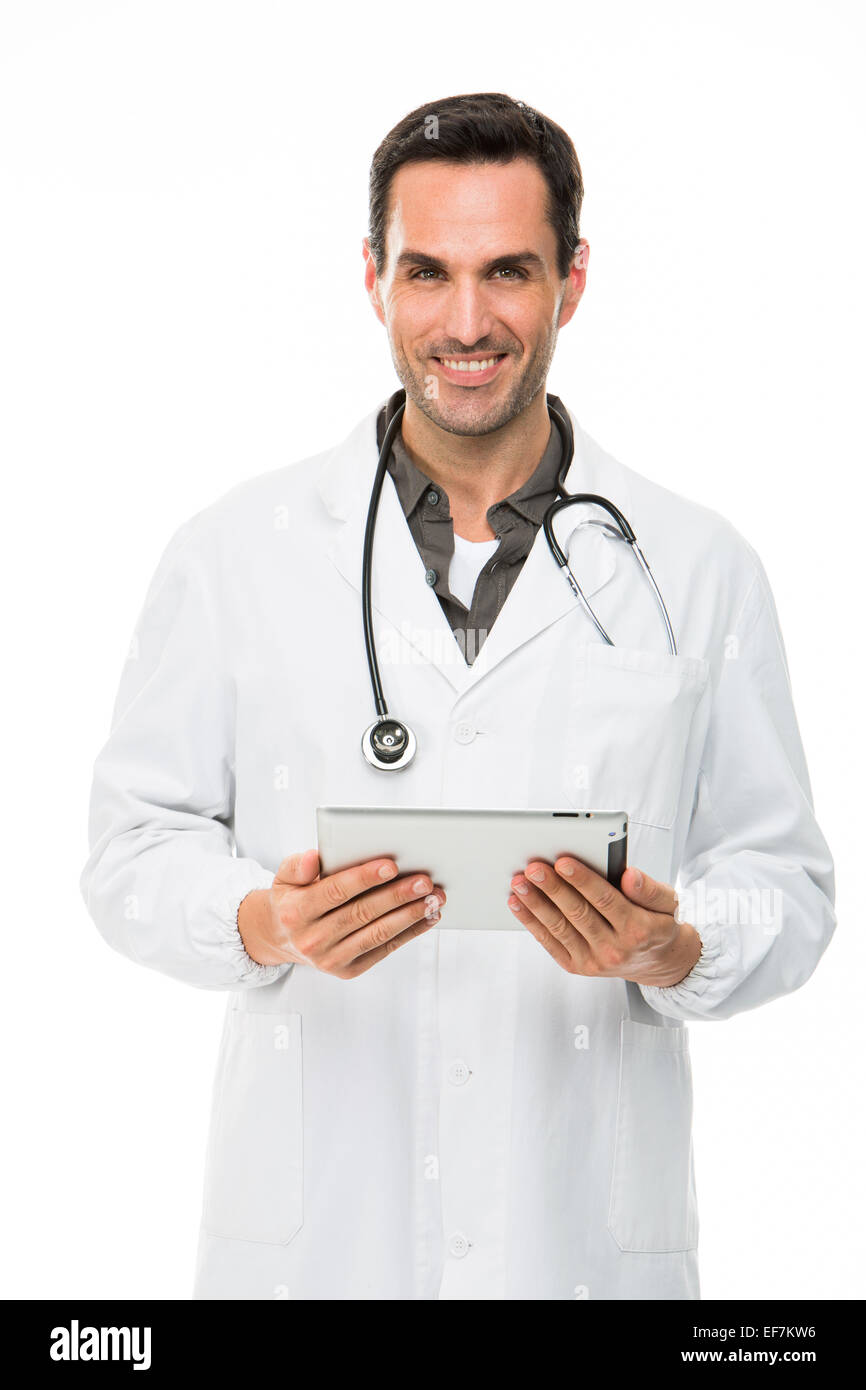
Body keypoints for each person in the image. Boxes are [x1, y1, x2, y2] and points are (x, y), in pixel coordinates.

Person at [81, 92, 836, 1301]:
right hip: (319, 1244)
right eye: (427, 272)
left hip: (579, 1253)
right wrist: (260, 922)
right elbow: (128, 851)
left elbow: (787, 885)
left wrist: (673, 943)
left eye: (510, 273)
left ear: (572, 280)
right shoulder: (238, 551)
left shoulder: (694, 564)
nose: (467, 322)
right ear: (372, 276)